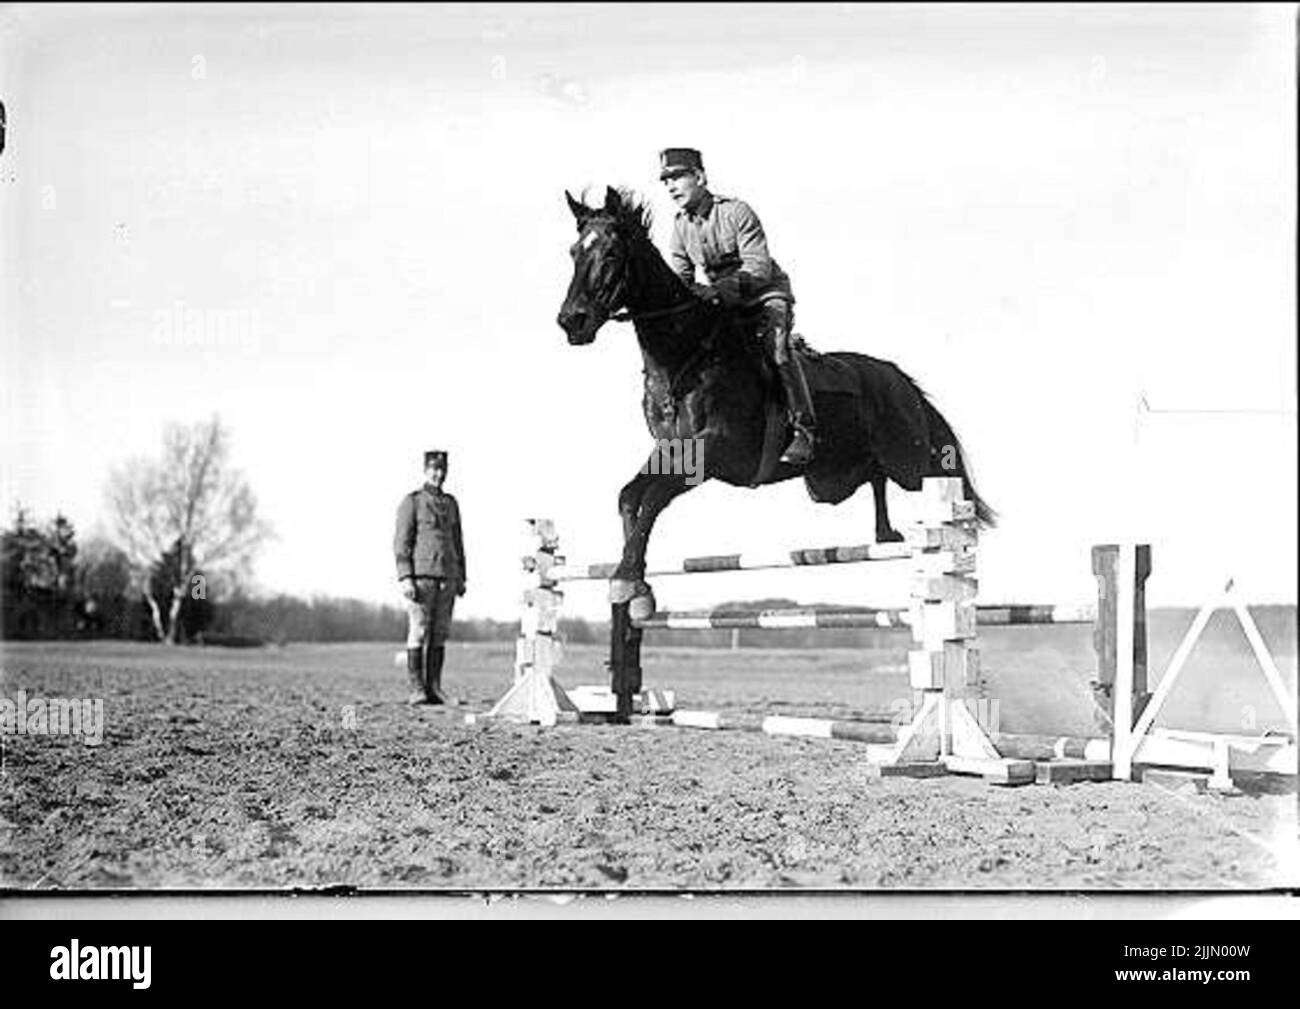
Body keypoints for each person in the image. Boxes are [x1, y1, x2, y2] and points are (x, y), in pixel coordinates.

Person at [660, 147, 816, 466]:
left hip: (765, 295)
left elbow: (758, 268)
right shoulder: (679, 227)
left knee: (778, 349)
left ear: (700, 177)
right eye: (666, 181)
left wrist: (715, 292)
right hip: (724, 303)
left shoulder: (736, 211)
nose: (671, 186)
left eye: (678, 177)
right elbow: (681, 280)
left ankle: (804, 430)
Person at [393, 449, 466, 705]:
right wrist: (405, 577)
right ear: (425, 470)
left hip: (447, 577)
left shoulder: (451, 504)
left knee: (440, 634)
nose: (438, 474)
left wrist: (461, 577)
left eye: (442, 469)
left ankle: (435, 689)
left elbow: (458, 542)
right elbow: (402, 542)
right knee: (419, 631)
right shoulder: (412, 502)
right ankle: (417, 689)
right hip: (421, 578)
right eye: (434, 469)